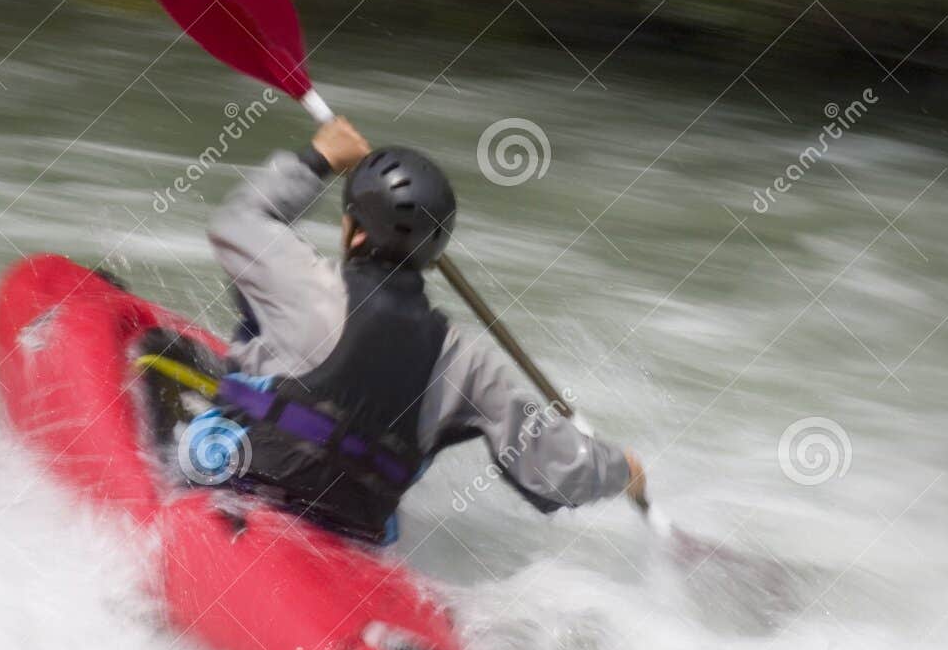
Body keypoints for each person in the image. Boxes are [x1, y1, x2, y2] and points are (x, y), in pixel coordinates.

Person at [193, 115, 646, 545]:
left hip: (232, 488)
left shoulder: (306, 282)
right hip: (351, 537)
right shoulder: (465, 362)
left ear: (355, 233)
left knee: (222, 336)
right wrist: (619, 468)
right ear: (431, 254)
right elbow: (555, 471)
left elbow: (238, 221)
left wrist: (319, 158)